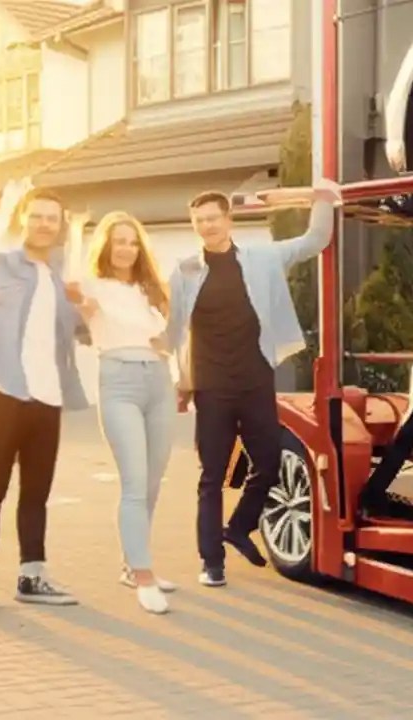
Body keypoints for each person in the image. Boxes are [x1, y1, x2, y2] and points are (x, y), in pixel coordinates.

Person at [166, 182, 340, 588]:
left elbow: (315, 240)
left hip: (255, 380)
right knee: (211, 476)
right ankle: (212, 562)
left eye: (213, 218)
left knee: (270, 463)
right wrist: (181, 383)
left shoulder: (262, 258)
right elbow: (175, 330)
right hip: (211, 387)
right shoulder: (185, 270)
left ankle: (240, 526)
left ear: (228, 220)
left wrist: (325, 199)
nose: (207, 226)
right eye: (199, 221)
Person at [0, 179, 89, 613]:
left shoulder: (57, 277)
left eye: (51, 219)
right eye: (36, 216)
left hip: (47, 399)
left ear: (59, 226)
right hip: (5, 394)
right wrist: (9, 199)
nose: (43, 224)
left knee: (36, 494)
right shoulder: (2, 264)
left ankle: (32, 577)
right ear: (23, 220)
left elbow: (80, 323)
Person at [70, 211, 177, 614]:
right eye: (119, 241)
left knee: (151, 483)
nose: (127, 249)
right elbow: (70, 286)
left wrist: (167, 345)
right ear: (106, 245)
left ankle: (132, 564)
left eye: (133, 242)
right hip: (119, 383)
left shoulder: (150, 291)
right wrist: (75, 233)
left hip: (159, 382)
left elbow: (171, 333)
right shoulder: (94, 287)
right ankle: (144, 576)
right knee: (134, 482)